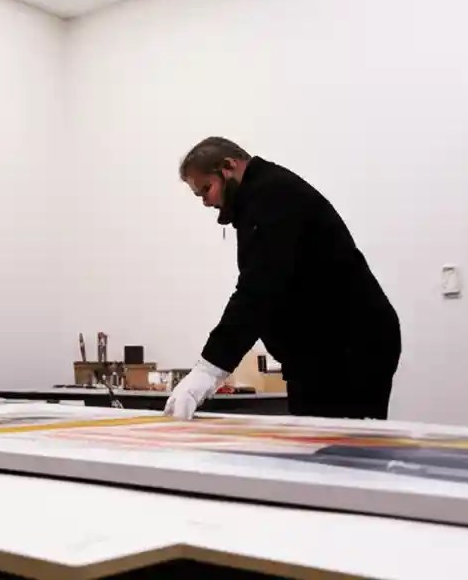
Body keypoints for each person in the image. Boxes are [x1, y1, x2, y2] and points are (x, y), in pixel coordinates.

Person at [164, 137, 401, 421]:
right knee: (319, 449)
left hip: (349, 348)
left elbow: (258, 291)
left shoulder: (274, 196)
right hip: (323, 351)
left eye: (206, 189)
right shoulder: (258, 200)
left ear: (229, 166)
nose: (206, 201)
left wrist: (209, 370)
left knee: (337, 453)